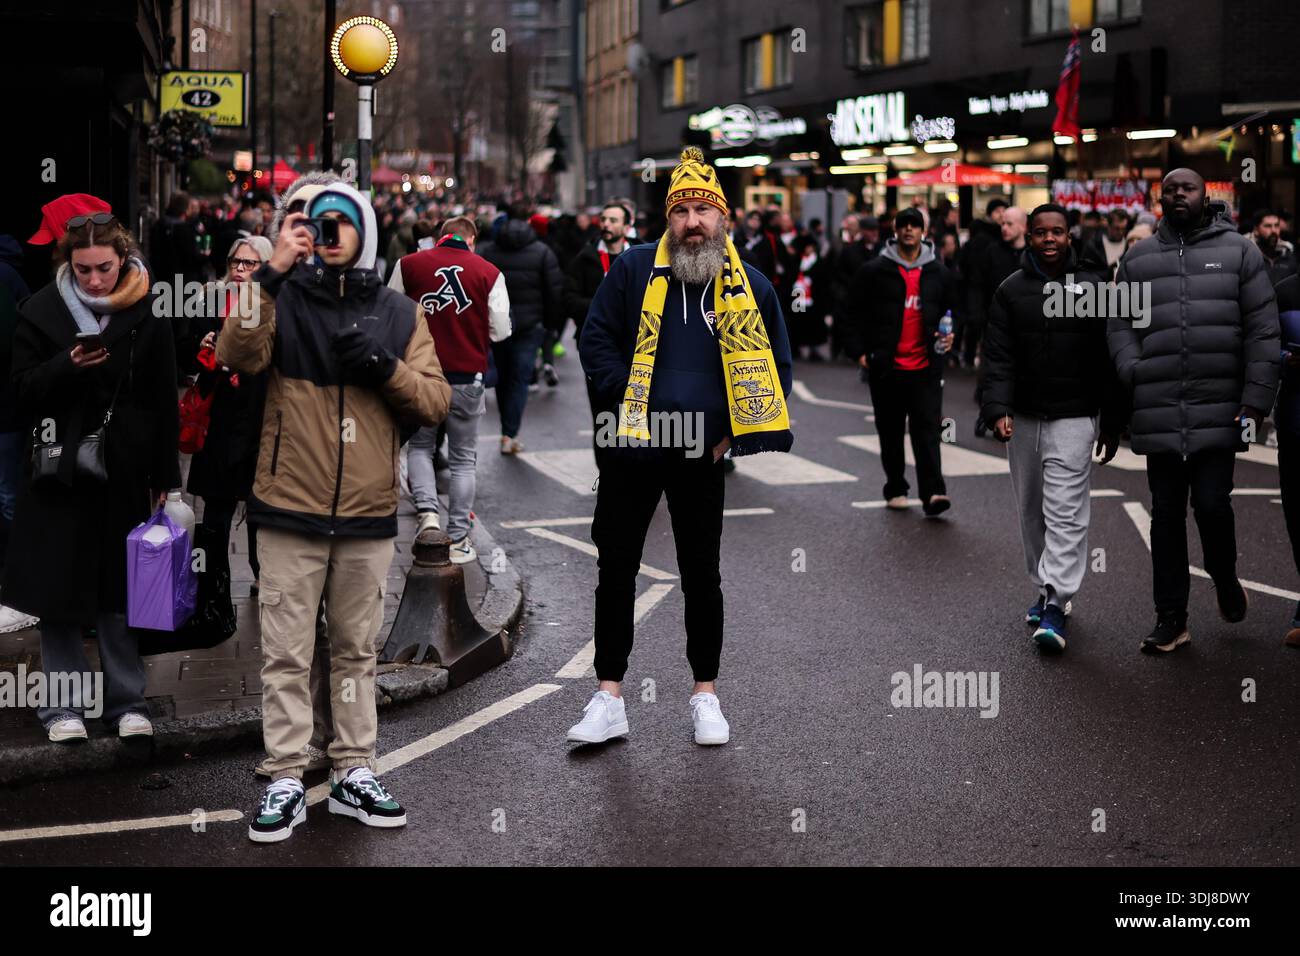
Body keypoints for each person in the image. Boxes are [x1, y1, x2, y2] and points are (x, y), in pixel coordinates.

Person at [217, 182, 451, 842]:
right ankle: (288, 773)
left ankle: (353, 769)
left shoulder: (400, 314)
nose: (327, 233)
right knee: (286, 654)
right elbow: (234, 354)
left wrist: (384, 368)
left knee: (353, 653)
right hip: (288, 508)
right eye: (315, 223)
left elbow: (434, 402)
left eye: (339, 223)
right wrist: (268, 274)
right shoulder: (281, 301)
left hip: (368, 513)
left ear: (365, 233)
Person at [574, 146, 793, 747]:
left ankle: (705, 697)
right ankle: (609, 696)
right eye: (682, 211)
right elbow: (596, 342)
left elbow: (774, 369)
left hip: (703, 452)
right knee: (615, 568)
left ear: (724, 219)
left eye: (704, 210)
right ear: (666, 219)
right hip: (633, 446)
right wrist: (633, 401)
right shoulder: (632, 270)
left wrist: (729, 437)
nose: (693, 222)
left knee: (702, 573)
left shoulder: (756, 289)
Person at [3, 213, 180, 742]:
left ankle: (127, 702)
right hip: (57, 470)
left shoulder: (149, 308)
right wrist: (66, 365)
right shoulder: (39, 310)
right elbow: (21, 390)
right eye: (83, 270)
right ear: (67, 263)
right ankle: (63, 709)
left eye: (104, 268)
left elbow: (161, 395)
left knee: (119, 592)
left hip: (123, 468)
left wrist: (165, 474)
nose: (95, 280)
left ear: (123, 258)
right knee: (57, 593)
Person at [1108, 168, 1279, 654]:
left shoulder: (1240, 252)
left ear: (1207, 196)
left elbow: (1263, 330)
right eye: (1170, 190)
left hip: (1220, 405)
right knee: (1164, 514)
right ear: (1159, 198)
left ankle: (1224, 577)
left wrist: (1256, 399)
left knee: (1211, 504)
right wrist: (1131, 368)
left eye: (1187, 188)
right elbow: (1119, 323)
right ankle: (1171, 618)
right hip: (1158, 403)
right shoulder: (1138, 259)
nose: (1177, 195)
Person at [981, 204, 1128, 651]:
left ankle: (1056, 604)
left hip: (1074, 418)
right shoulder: (1010, 290)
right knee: (1032, 512)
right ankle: (1045, 587)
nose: (1049, 239)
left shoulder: (1098, 287)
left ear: (1070, 236)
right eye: (1040, 233)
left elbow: (1112, 357)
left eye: (1057, 232)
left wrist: (1112, 420)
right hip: (1023, 418)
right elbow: (998, 357)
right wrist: (997, 409)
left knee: (1066, 513)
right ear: (1028, 237)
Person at [389, 216, 510, 561]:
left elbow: (391, 314)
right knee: (462, 460)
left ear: (439, 237)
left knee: (420, 448)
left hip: (420, 376)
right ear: (471, 239)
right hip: (466, 377)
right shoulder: (489, 272)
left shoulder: (408, 265)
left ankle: (427, 516)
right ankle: (458, 538)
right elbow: (500, 330)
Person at [841, 206, 956, 515]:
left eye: (914, 225)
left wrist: (951, 335)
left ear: (924, 232)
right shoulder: (874, 270)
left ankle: (933, 493)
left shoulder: (938, 273)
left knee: (927, 431)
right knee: (890, 431)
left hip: (926, 368)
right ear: (895, 230)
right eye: (903, 225)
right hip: (886, 367)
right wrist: (860, 354)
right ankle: (895, 487)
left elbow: (952, 310)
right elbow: (850, 312)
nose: (909, 230)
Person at [185, 236, 273, 599]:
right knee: (217, 505)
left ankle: (261, 574)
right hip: (220, 414)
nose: (239, 269)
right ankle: (212, 581)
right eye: (235, 261)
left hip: (259, 414)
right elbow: (188, 350)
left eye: (249, 264)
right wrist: (202, 346)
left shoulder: (274, 307)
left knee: (259, 505)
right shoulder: (212, 298)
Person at [477, 202, 563, 454]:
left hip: (499, 324)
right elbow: (553, 292)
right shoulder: (542, 252)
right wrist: (551, 325)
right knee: (519, 379)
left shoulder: (489, 251)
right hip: (530, 325)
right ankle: (509, 433)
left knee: (503, 378)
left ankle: (507, 429)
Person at [967, 207, 1026, 435]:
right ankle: (987, 414)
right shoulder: (992, 252)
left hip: (1024, 324)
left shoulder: (1030, 255)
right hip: (994, 322)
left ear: (1023, 226)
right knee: (991, 370)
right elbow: (978, 285)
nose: (1004, 228)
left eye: (1010, 224)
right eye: (1002, 223)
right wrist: (977, 315)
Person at [1274, 273, 1300, 647]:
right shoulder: (1285, 290)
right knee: (1297, 516)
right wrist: (1286, 359)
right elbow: (1263, 345)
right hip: (1295, 422)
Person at [957, 198, 1007, 372]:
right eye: (997, 211)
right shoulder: (982, 237)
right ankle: (970, 357)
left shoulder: (1003, 236)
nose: (1001, 214)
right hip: (978, 286)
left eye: (1003, 210)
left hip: (994, 287)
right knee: (976, 323)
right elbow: (970, 265)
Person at [1251, 209, 1298, 287]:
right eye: (1268, 226)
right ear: (1256, 230)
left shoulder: (1288, 254)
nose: (1273, 230)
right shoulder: (1246, 255)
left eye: (1276, 225)